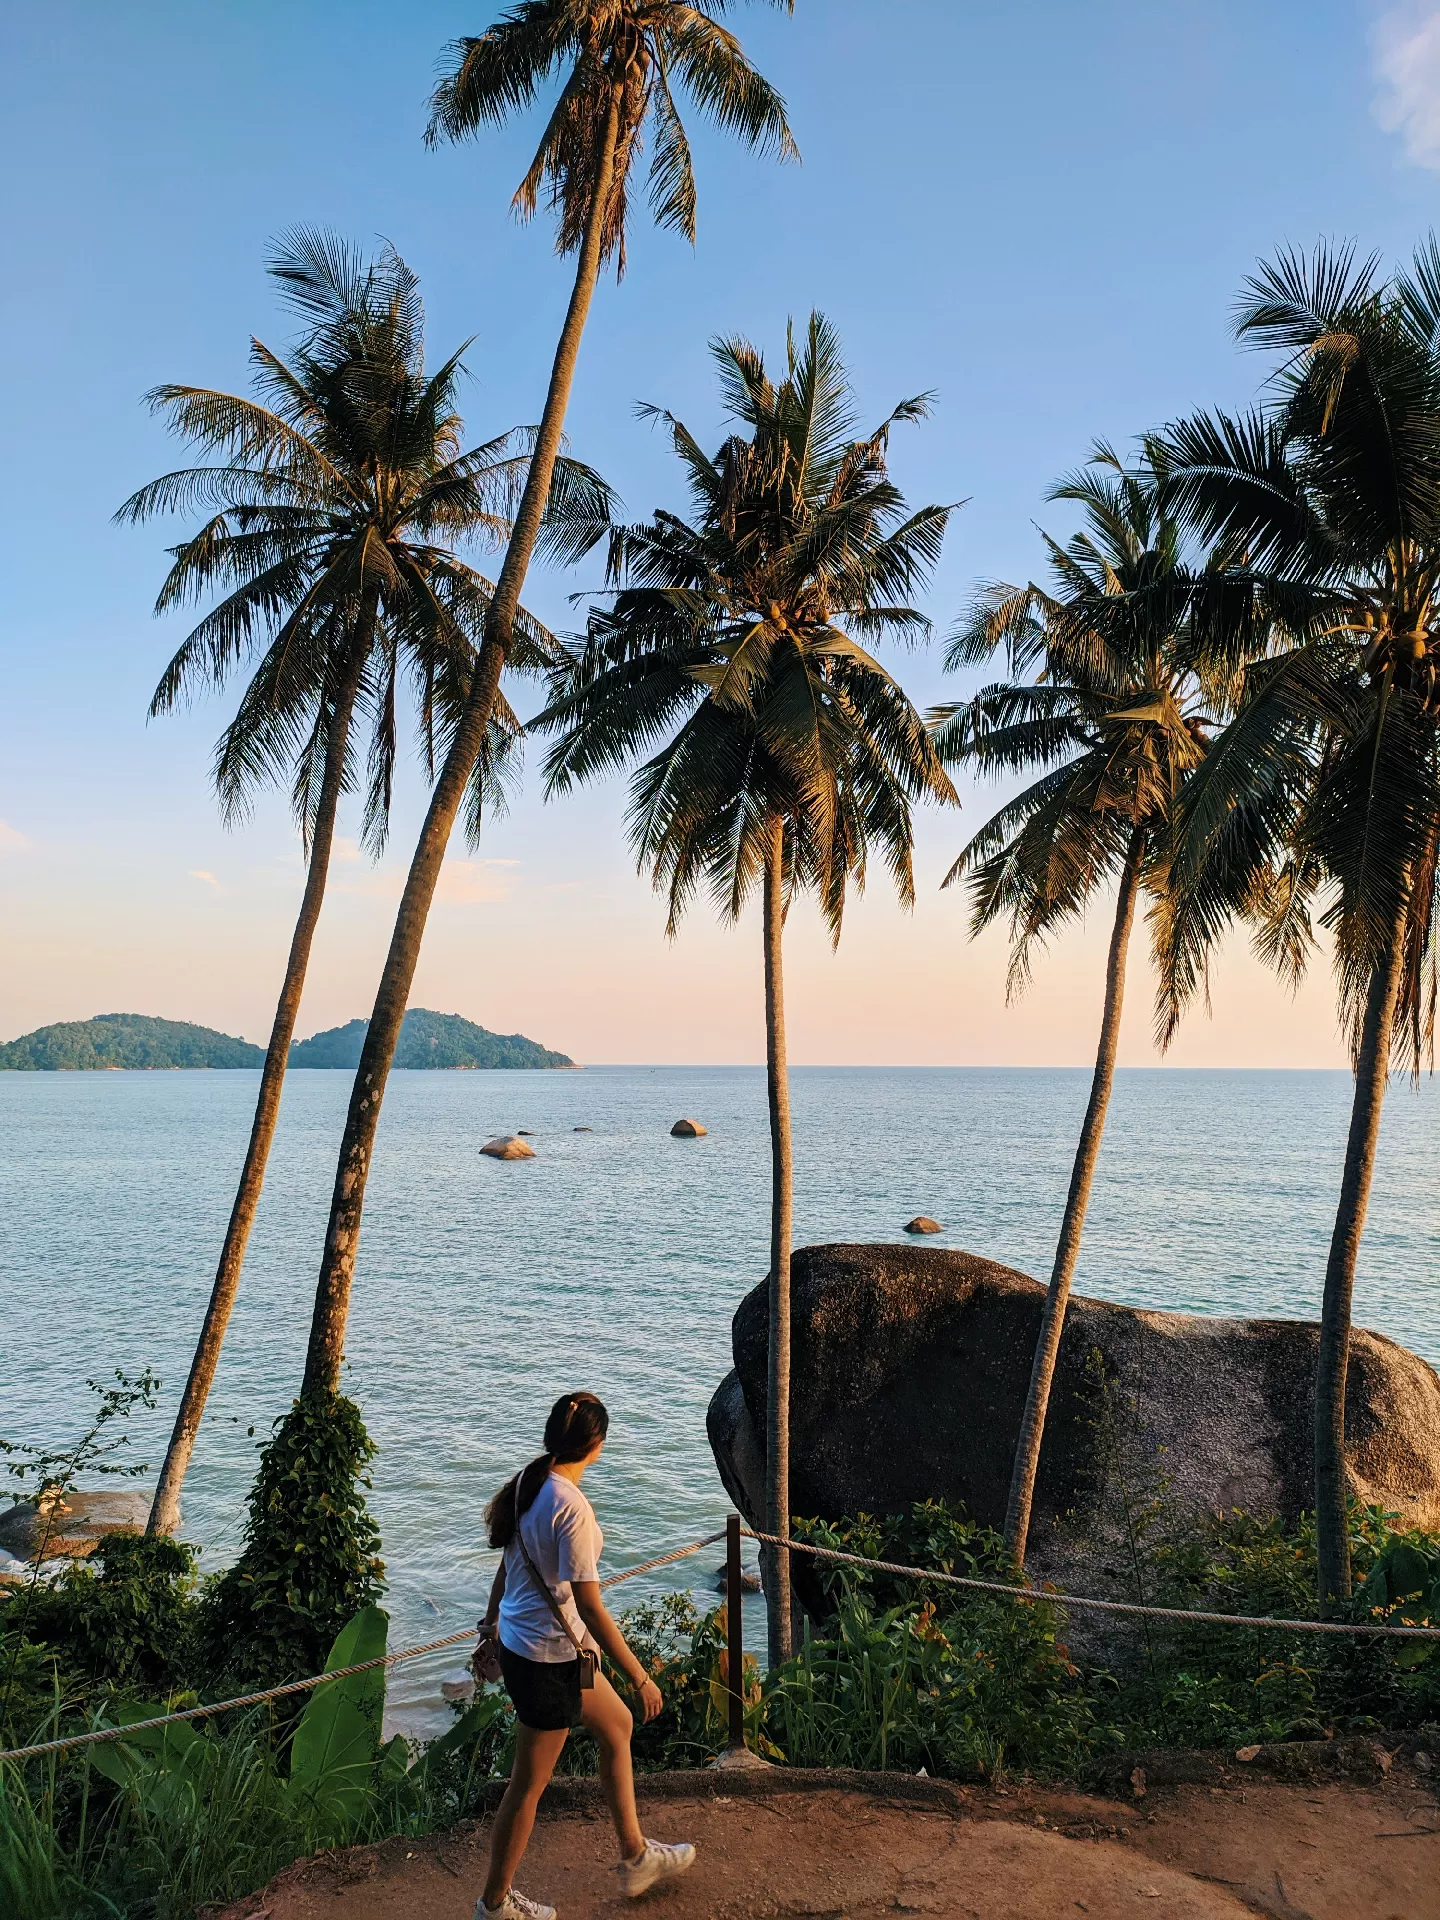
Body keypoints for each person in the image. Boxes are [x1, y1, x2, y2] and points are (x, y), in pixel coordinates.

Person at [473, 1391, 696, 1919]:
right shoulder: (570, 1505)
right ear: (596, 1444)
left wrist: (489, 1626)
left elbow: (508, 1567)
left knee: (617, 1726)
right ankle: (493, 1905)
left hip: (538, 1650)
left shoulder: (532, 1479)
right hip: (547, 1661)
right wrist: (640, 1675)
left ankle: (636, 1855)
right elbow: (591, 1607)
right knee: (527, 1788)